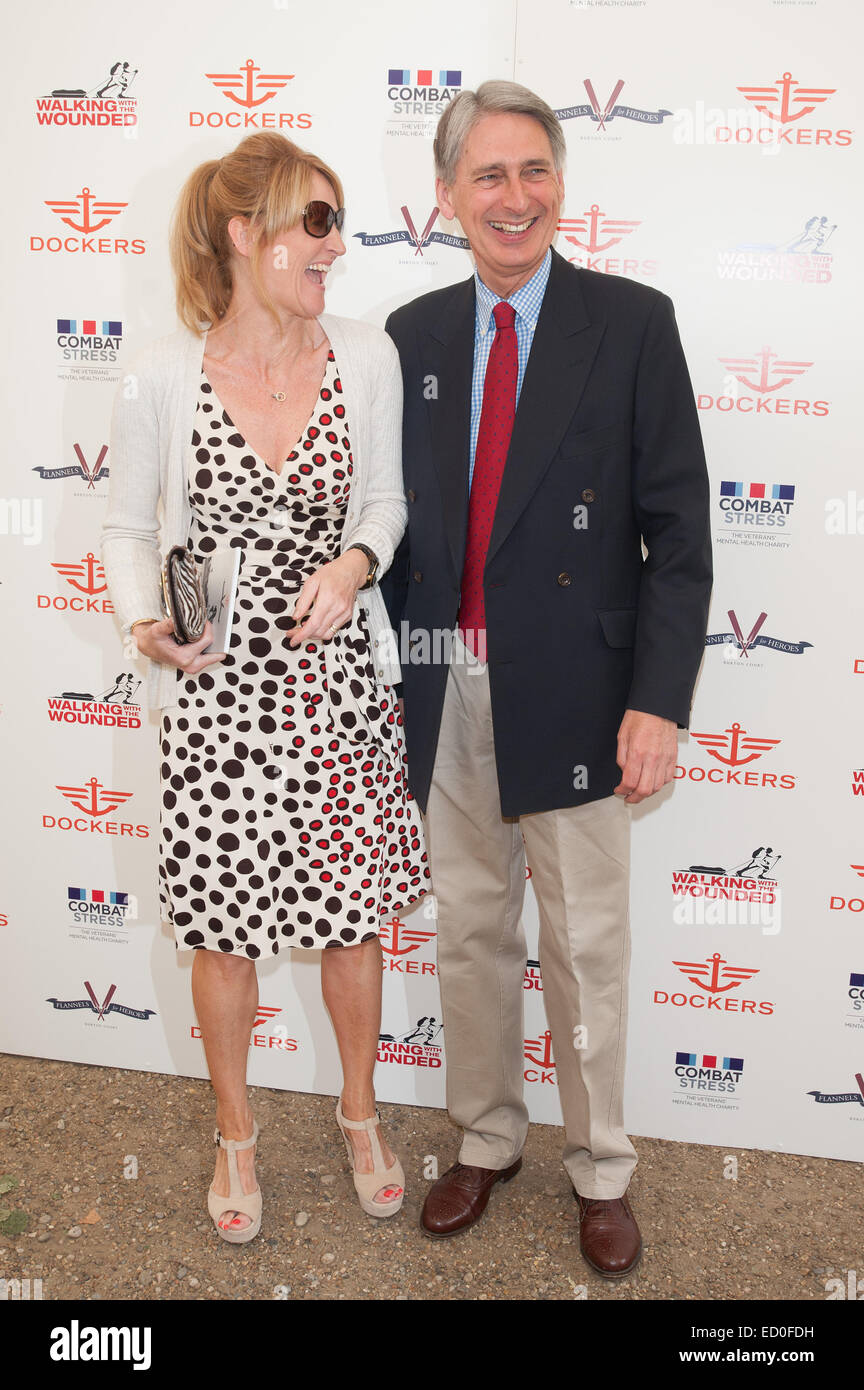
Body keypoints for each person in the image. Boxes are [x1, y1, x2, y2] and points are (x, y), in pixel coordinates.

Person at [381, 81, 712, 1277]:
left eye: (534, 172)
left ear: (562, 184)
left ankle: (603, 1166)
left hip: (583, 686)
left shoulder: (631, 323)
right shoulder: (408, 338)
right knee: (469, 929)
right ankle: (483, 1138)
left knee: (586, 944)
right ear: (447, 196)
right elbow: (391, 532)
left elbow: (677, 531)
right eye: (489, 176)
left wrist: (659, 698)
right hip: (446, 686)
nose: (514, 198)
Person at [101, 132, 429, 1244]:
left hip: (333, 687)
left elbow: (384, 500)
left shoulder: (366, 354)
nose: (335, 246)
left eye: (339, 222)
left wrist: (354, 564)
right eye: (317, 222)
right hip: (215, 695)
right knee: (223, 930)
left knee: (350, 916)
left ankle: (359, 1112)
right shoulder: (161, 370)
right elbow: (124, 524)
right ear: (247, 234)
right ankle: (235, 1131)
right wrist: (141, 618)